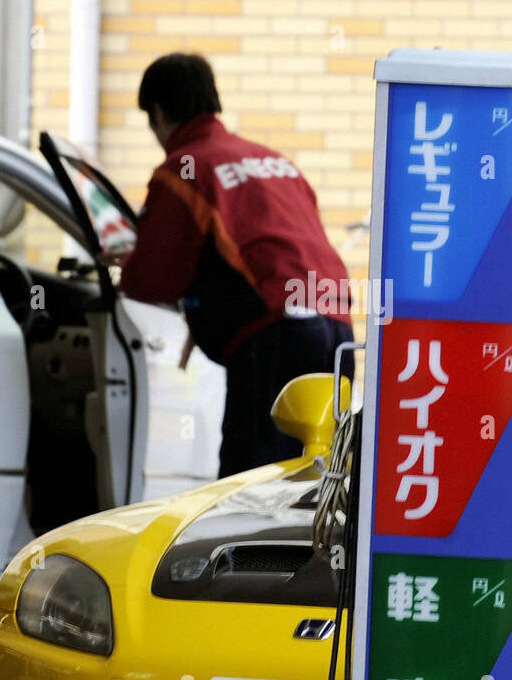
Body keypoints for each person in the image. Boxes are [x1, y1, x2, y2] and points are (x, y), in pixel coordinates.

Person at [120, 53, 354, 477]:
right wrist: (206, 310)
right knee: (320, 476)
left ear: (157, 112)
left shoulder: (183, 169)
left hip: (276, 332)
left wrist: (126, 265)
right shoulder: (273, 161)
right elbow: (265, 249)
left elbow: (151, 279)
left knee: (254, 482)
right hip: (335, 323)